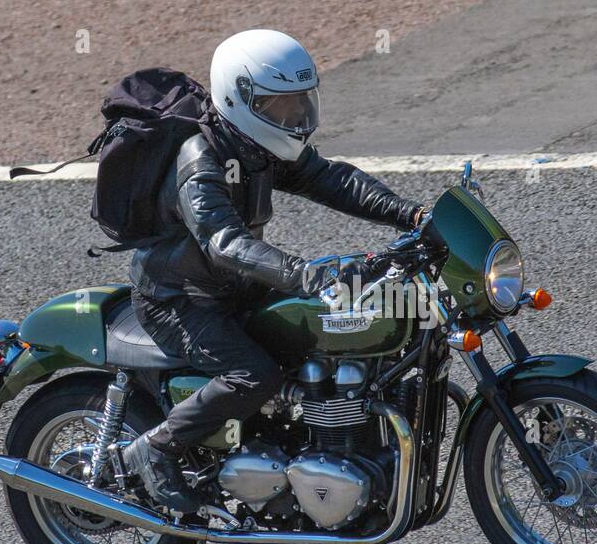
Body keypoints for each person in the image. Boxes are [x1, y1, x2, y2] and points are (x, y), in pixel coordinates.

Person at [120, 29, 425, 513]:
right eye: (281, 108)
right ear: (239, 100)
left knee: (322, 335)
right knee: (252, 373)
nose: (295, 119)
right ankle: (155, 449)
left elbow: (331, 179)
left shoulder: (258, 146)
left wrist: (412, 216)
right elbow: (225, 244)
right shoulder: (199, 159)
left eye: (301, 104)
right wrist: (307, 275)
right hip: (181, 299)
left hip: (236, 289)